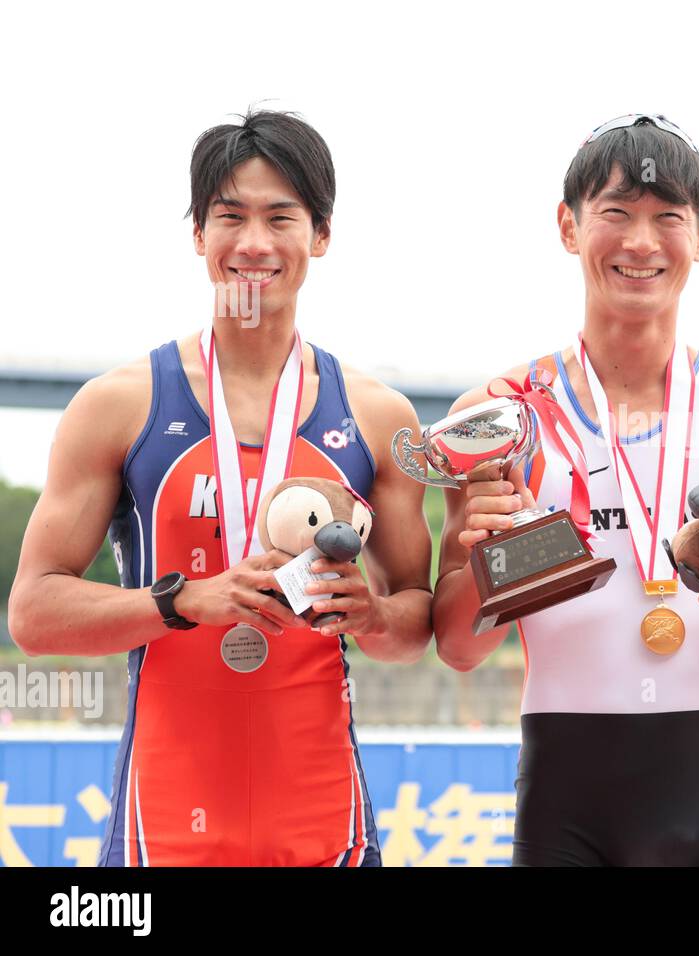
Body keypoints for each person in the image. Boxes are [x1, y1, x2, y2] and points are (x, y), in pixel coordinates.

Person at [8, 109, 435, 866]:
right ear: (198, 235)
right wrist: (180, 602)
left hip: (328, 832)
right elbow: (34, 615)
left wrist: (369, 614)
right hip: (159, 835)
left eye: (282, 217)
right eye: (230, 216)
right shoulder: (120, 404)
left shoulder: (374, 415)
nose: (254, 244)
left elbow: (412, 629)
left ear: (322, 235)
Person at [432, 114, 699, 866]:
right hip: (567, 809)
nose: (641, 243)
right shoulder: (496, 417)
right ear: (568, 225)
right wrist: (503, 561)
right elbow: (458, 646)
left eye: (668, 219)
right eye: (616, 214)